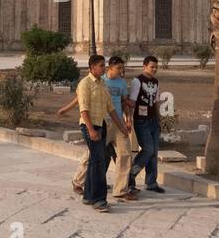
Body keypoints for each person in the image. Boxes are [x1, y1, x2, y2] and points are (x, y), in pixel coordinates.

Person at [59, 55, 138, 202]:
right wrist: (66, 109)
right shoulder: (96, 82)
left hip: (117, 121)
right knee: (93, 156)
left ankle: (120, 190)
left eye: (122, 68)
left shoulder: (118, 83)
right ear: (110, 68)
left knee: (125, 153)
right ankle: (80, 182)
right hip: (101, 123)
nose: (121, 71)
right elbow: (81, 100)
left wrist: (127, 121)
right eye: (118, 68)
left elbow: (120, 103)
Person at [75, 54, 130, 212]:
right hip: (89, 126)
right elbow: (83, 109)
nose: (103, 68)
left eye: (104, 65)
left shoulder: (102, 84)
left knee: (95, 161)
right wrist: (91, 129)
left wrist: (122, 126)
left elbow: (111, 108)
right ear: (92, 67)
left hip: (102, 125)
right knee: (99, 162)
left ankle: (88, 195)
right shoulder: (85, 84)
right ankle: (98, 199)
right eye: (101, 65)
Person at [129, 56, 165, 193]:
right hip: (141, 121)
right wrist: (129, 119)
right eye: (152, 67)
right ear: (144, 66)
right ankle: (131, 174)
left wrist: (159, 119)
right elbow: (132, 102)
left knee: (154, 152)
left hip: (153, 120)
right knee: (147, 149)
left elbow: (155, 102)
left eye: (156, 67)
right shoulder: (137, 81)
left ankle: (151, 182)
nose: (154, 69)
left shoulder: (156, 82)